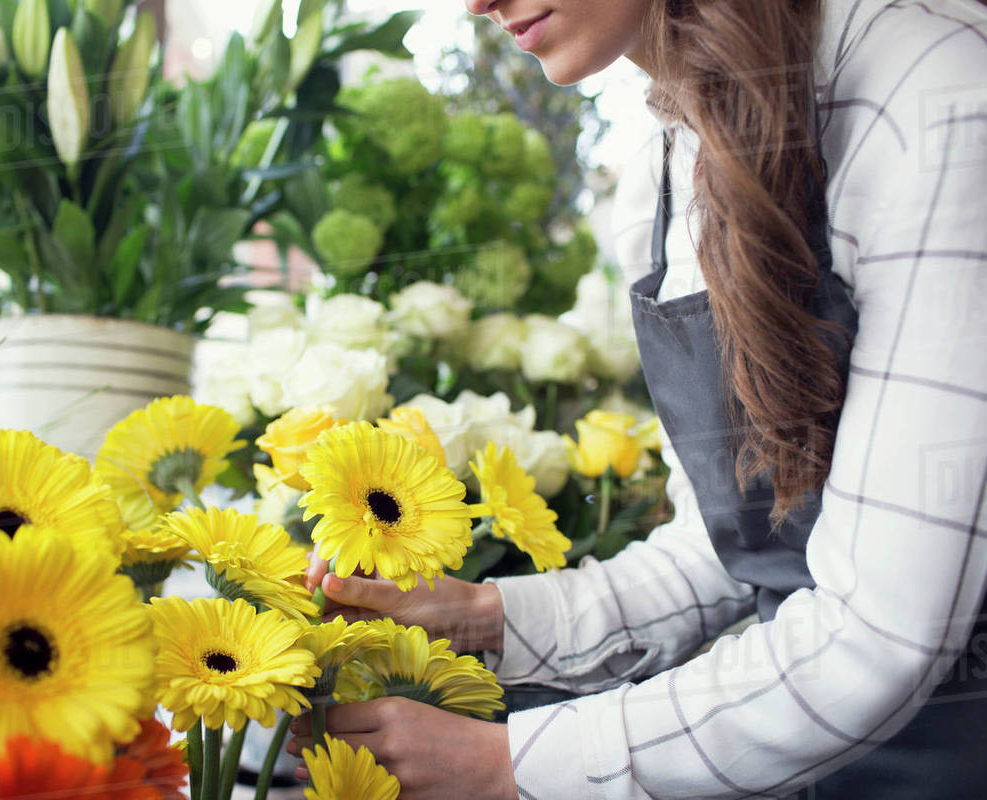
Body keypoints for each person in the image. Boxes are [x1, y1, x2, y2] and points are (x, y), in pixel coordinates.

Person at [286, 0, 987, 797]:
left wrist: (505, 765)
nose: (476, 2)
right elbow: (728, 553)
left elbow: (884, 633)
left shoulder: (932, 93)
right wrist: (477, 616)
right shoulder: (653, 183)